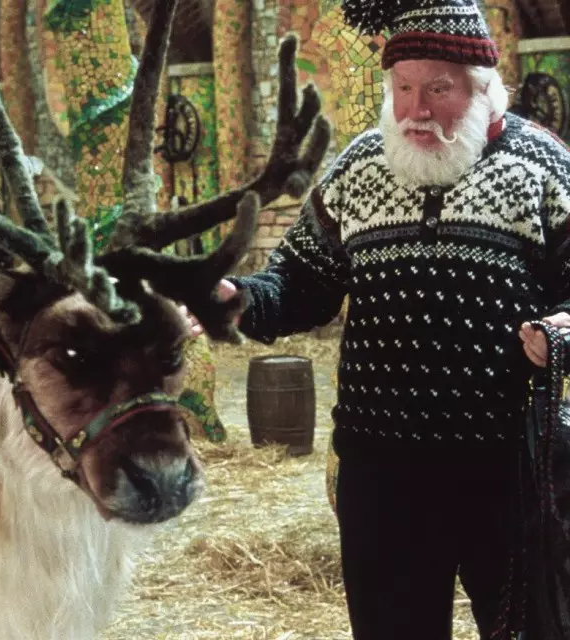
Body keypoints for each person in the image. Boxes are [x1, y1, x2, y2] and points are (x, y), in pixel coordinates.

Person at [188, 0, 570, 638]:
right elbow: (300, 283)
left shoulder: (546, 168)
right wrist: (239, 296)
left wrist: (562, 330)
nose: (415, 109)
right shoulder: (360, 167)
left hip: (511, 469)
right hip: (382, 473)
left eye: (437, 90)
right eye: (402, 88)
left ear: (482, 90)